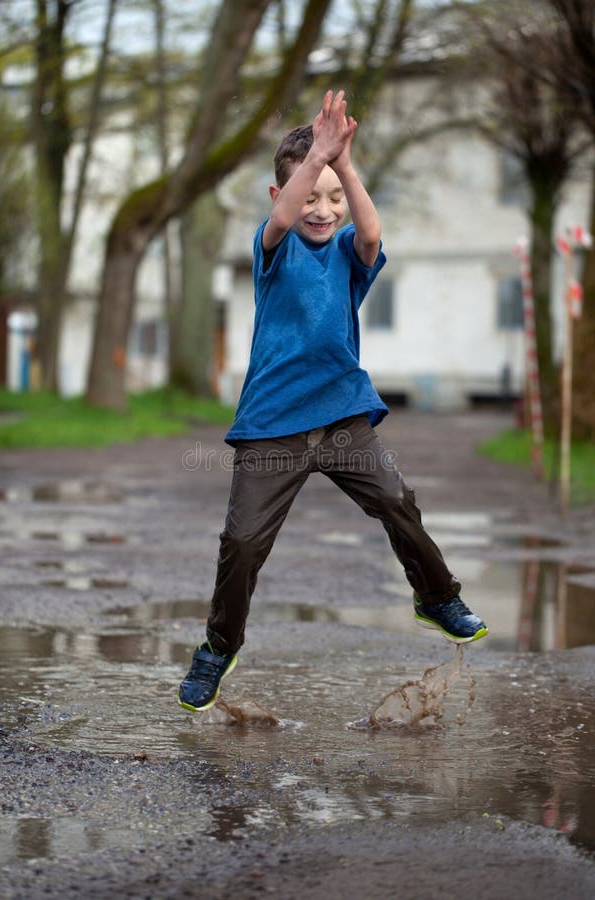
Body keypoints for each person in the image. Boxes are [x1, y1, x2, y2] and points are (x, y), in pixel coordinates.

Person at [178, 90, 488, 713]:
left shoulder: (349, 254)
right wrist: (316, 153)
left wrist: (342, 164)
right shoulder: (275, 249)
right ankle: (218, 646)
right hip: (274, 425)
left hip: (344, 415)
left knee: (398, 501)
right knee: (242, 543)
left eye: (333, 198)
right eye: (309, 196)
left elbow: (372, 232)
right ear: (281, 198)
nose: (323, 209)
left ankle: (435, 597)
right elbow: (285, 217)